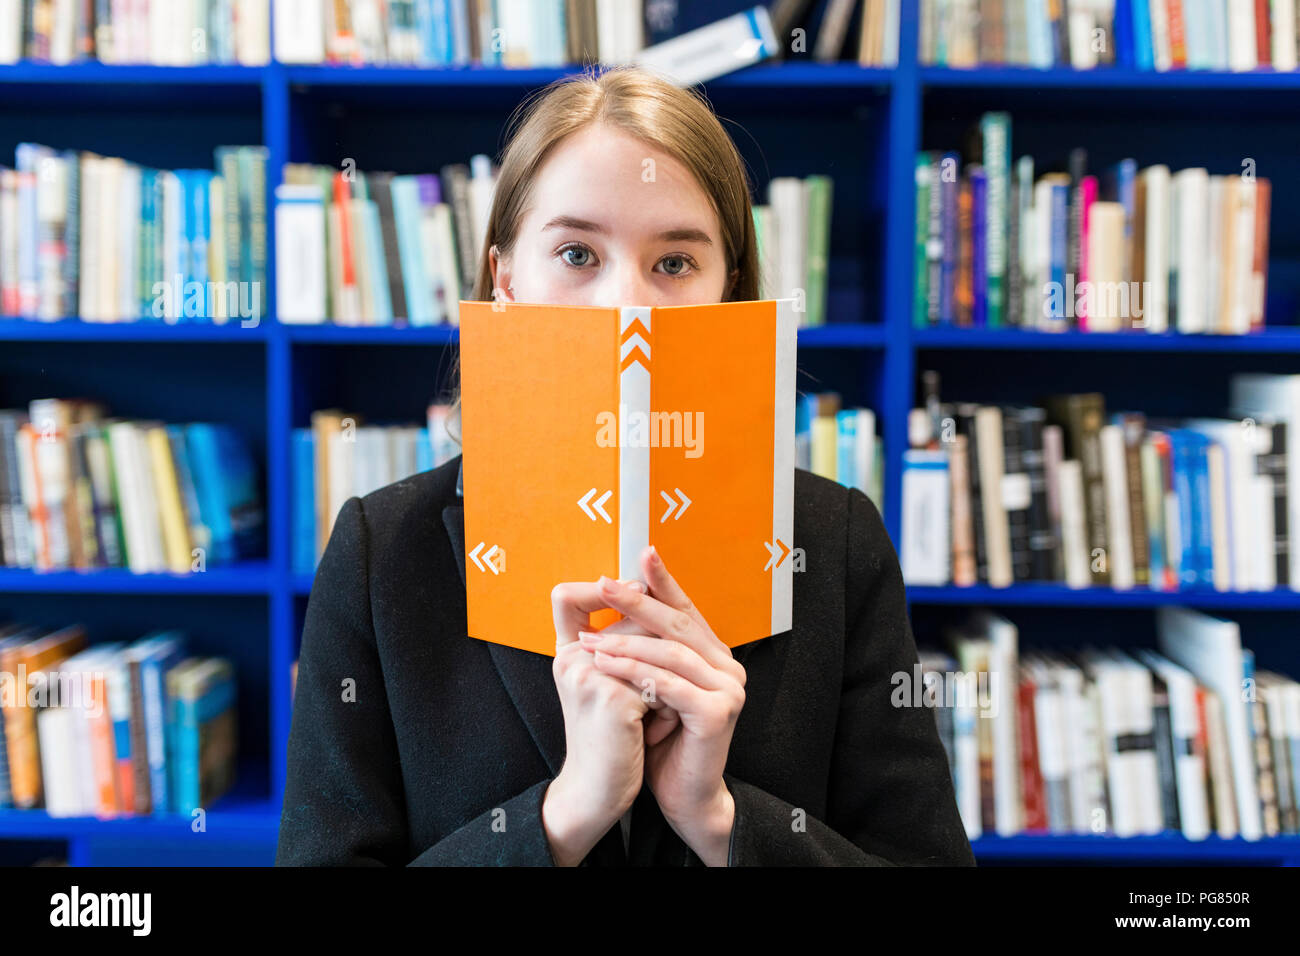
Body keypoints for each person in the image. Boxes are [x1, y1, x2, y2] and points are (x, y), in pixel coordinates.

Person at [275, 66, 975, 867]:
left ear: (729, 292)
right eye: (577, 252)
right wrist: (564, 815)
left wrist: (719, 819)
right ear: (506, 279)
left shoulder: (834, 540)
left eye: (675, 263)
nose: (626, 310)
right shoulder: (382, 551)